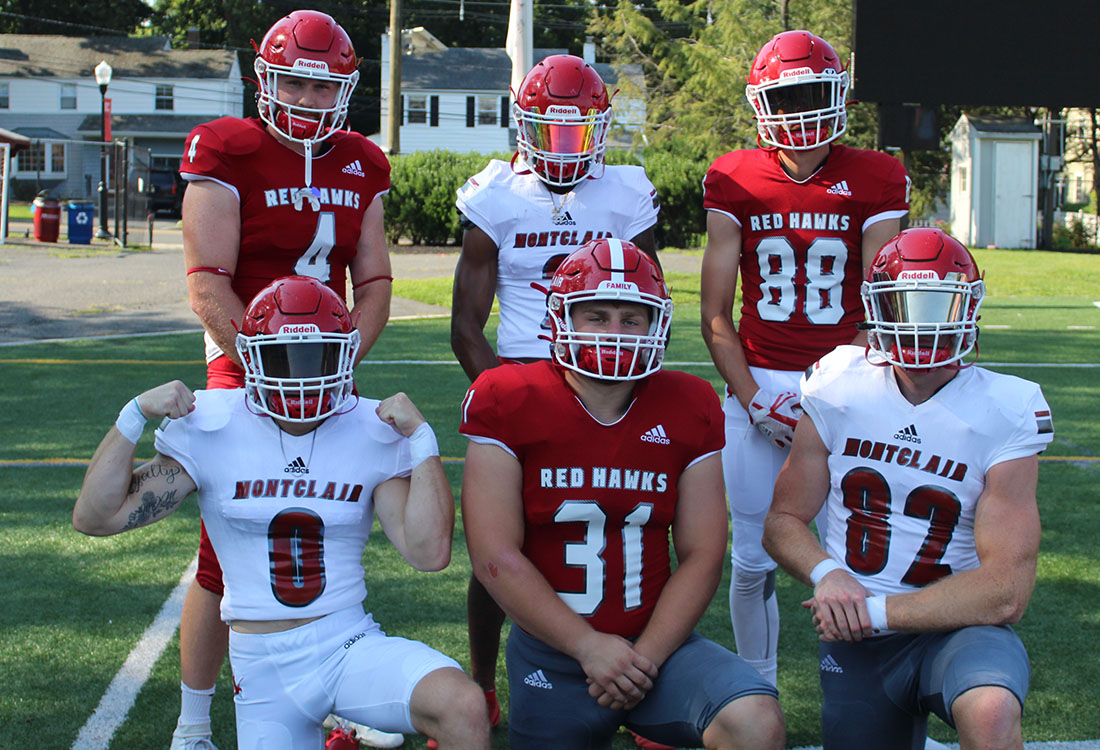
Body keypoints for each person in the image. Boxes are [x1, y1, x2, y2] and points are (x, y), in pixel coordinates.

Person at [73, 276, 490, 750]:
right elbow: (95, 516)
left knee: (464, 706)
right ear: (249, 356)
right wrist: (134, 414)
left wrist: (423, 443)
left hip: (345, 643)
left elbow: (429, 552)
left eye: (316, 358)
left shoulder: (370, 428)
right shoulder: (213, 424)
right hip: (262, 666)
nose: (300, 376)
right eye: (283, 358)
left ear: (345, 353)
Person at [460, 238, 786, 750]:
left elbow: (703, 554)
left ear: (656, 325)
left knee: (756, 720)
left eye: (631, 319)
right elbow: (495, 557)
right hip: (554, 651)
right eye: (597, 316)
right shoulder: (508, 396)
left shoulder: (688, 402)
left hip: (658, 647)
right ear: (562, 317)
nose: (615, 333)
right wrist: (587, 646)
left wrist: (646, 658)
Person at [177, 10, 396, 748]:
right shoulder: (227, 151)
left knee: (336, 533)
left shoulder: (363, 162)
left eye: (322, 84)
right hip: (242, 361)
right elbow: (208, 286)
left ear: (346, 88)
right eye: (295, 81)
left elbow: (374, 286)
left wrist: (334, 368)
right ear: (264, 80)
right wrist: (274, 371)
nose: (306, 97)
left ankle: (327, 690)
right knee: (222, 560)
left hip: (328, 370)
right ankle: (193, 725)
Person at [762, 228, 1053, 750]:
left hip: (958, 628)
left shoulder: (1006, 410)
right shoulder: (837, 385)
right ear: (878, 311)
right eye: (904, 306)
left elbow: (1006, 592)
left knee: (990, 711)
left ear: (968, 309)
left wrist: (868, 611)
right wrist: (828, 575)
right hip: (861, 642)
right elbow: (782, 522)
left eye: (936, 306)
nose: (919, 325)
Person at [451, 53, 661, 731]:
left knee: (631, 537)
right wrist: (514, 403)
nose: (561, 145)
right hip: (521, 378)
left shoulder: (624, 193)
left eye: (575, 132)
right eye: (549, 130)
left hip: (611, 382)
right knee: (497, 551)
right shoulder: (496, 195)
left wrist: (615, 395)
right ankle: (483, 683)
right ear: (523, 126)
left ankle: (636, 680)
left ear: (599, 129)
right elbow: (464, 328)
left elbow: (650, 304)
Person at [700, 29, 910, 686]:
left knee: (859, 554)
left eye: (814, 93)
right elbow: (715, 314)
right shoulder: (733, 176)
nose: (801, 111)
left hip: (849, 379)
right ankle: (756, 684)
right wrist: (753, 397)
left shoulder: (877, 173)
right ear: (762, 104)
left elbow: (884, 303)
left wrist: (828, 392)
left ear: (839, 93)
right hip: (757, 380)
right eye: (787, 96)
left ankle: (872, 693)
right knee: (754, 555)